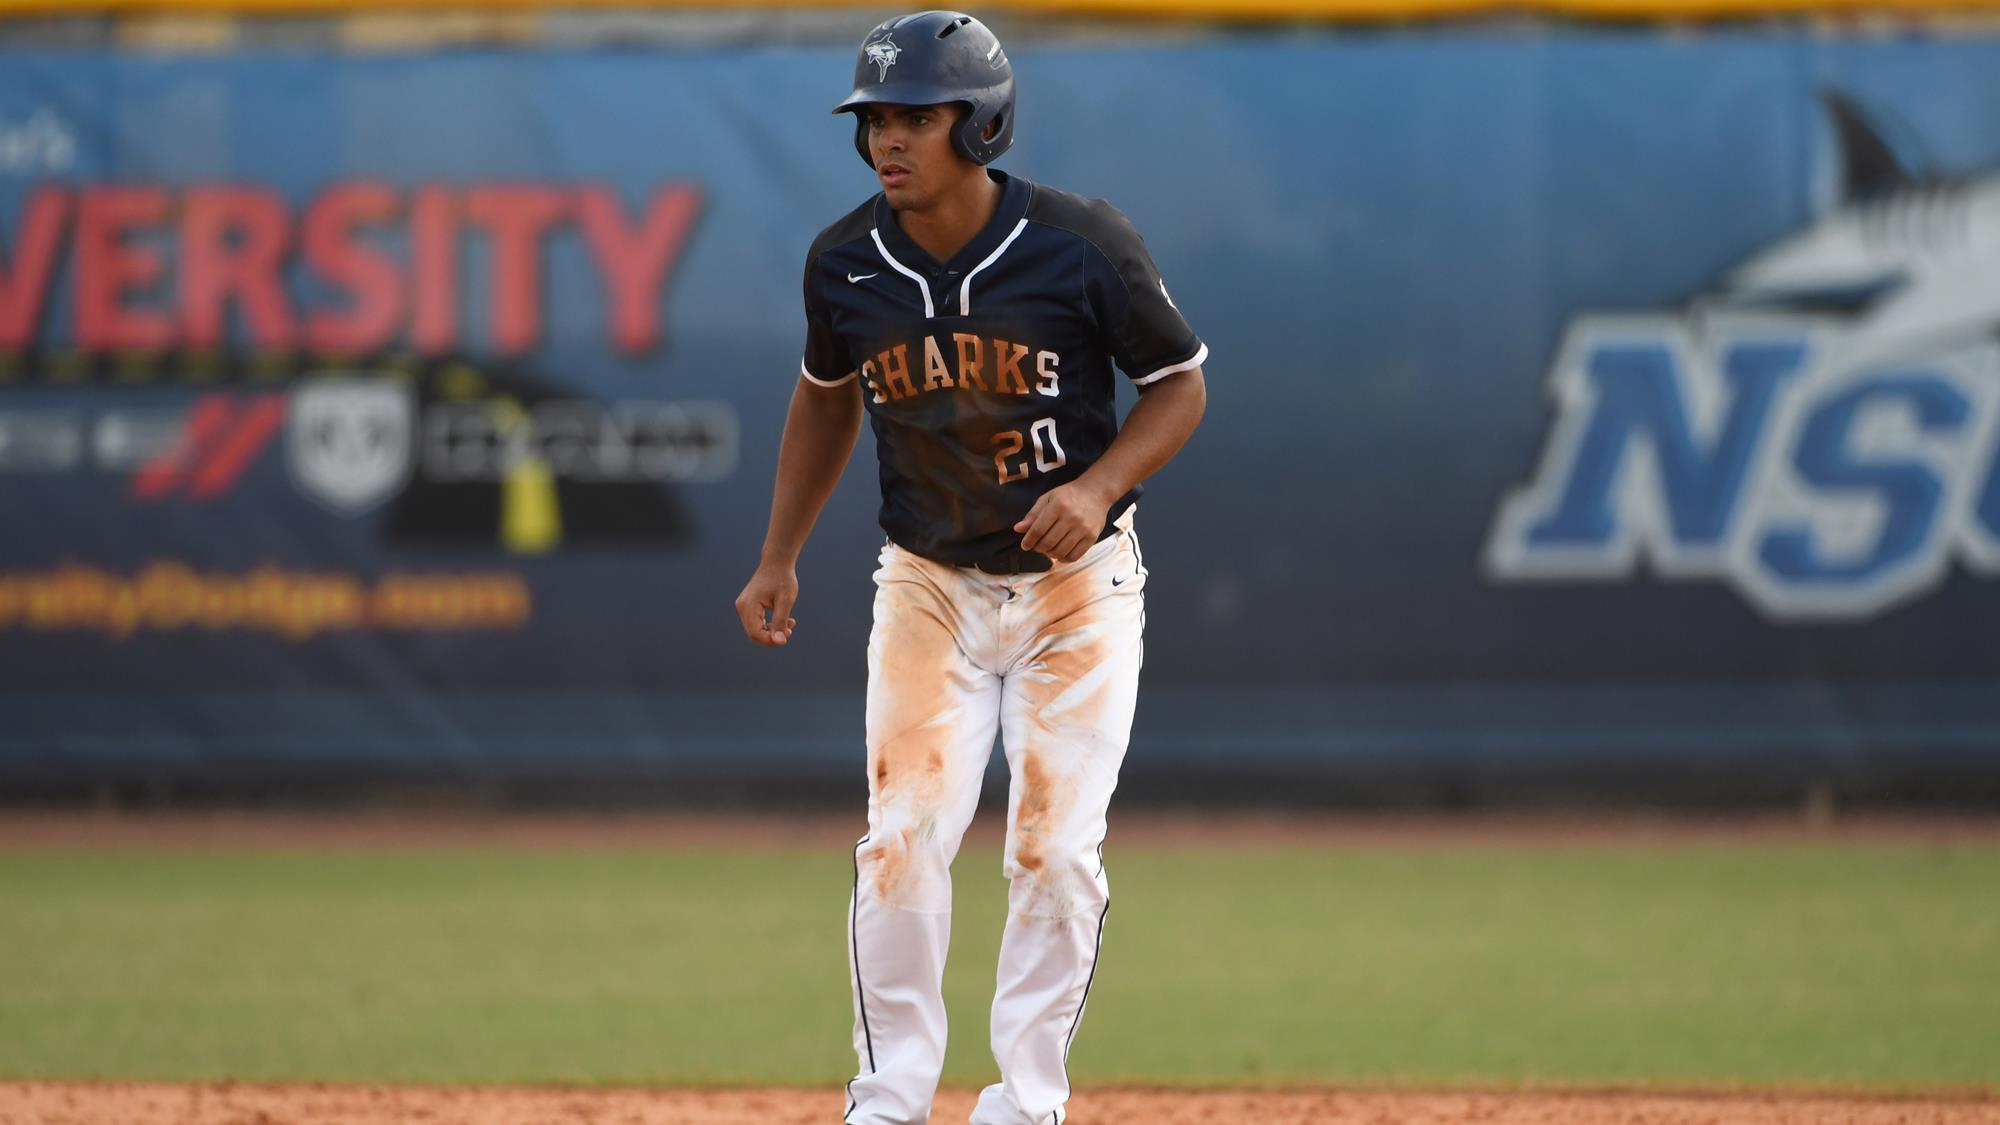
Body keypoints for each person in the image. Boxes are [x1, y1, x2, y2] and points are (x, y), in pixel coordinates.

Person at [733, 11, 1208, 1123]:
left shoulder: (1080, 247)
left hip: (1075, 594)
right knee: (897, 839)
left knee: (1052, 851)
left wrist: (1095, 490)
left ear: (980, 123)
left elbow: (1179, 384)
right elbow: (822, 398)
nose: (889, 140)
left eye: (917, 117)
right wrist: (778, 556)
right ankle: (888, 1099)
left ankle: (1023, 1104)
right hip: (928, 584)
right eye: (875, 120)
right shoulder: (845, 262)